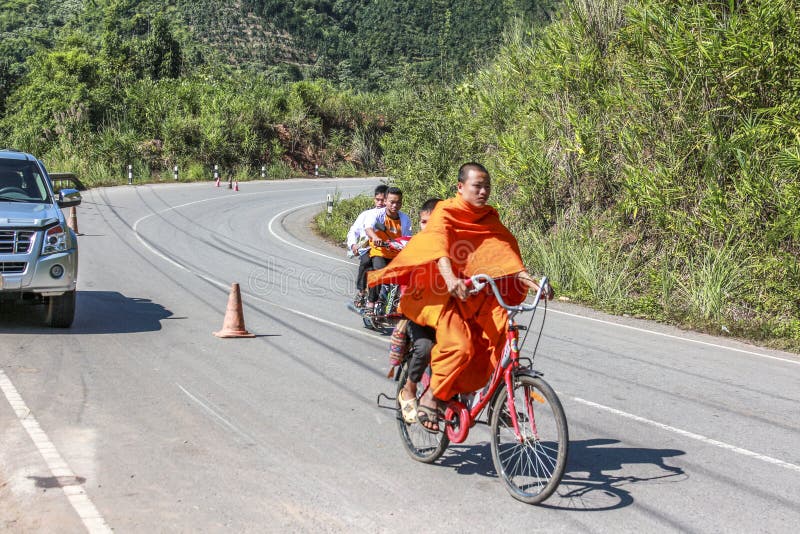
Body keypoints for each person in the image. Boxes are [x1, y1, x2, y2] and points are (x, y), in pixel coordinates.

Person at [368, 163, 552, 432]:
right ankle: (429, 396)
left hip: (474, 295)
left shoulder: (489, 218)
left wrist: (531, 283)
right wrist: (450, 279)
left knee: (494, 339)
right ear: (460, 187)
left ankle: (479, 398)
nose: (483, 191)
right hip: (440, 295)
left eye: (487, 186)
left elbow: (505, 256)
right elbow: (439, 248)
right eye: (477, 186)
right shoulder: (446, 212)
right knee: (458, 347)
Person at [390, 198, 441, 423]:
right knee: (424, 347)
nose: (427, 227)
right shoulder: (413, 245)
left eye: (433, 222)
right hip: (417, 313)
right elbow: (396, 245)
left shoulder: (455, 247)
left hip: (445, 314)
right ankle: (409, 390)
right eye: (423, 222)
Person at [363, 186, 412, 315]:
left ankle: (400, 304)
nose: (395, 205)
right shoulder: (377, 214)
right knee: (379, 273)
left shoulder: (405, 219)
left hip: (396, 254)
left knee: (409, 276)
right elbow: (368, 228)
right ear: (385, 201)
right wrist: (375, 237)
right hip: (380, 252)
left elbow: (407, 238)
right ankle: (371, 303)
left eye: (398, 202)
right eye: (392, 202)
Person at [347, 185, 387, 306]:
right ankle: (362, 292)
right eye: (377, 200)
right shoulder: (366, 214)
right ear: (374, 199)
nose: (380, 203)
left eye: (383, 200)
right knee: (366, 262)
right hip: (368, 248)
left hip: (387, 249)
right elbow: (353, 231)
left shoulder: (393, 216)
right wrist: (353, 245)